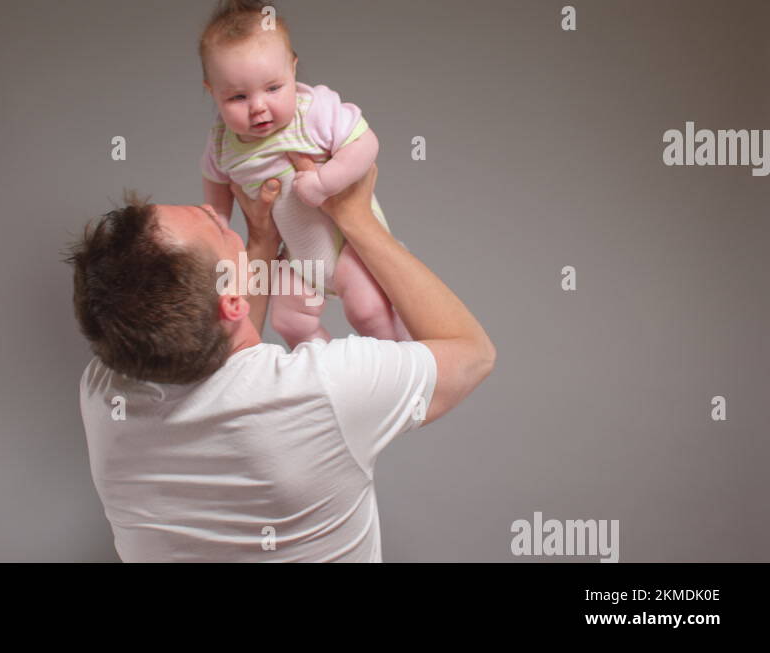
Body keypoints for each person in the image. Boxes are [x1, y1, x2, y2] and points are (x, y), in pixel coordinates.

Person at [67, 152, 496, 562]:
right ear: (231, 300)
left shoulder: (103, 393)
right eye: (215, 225)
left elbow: (223, 345)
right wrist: (358, 220)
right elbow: (471, 353)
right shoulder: (323, 391)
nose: (214, 209)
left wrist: (259, 241)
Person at [198, 0, 411, 347]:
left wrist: (325, 182)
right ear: (212, 92)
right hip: (299, 257)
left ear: (293, 70)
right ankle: (319, 368)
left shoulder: (311, 111)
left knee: (368, 311)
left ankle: (406, 363)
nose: (258, 107)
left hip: (348, 241)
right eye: (238, 96)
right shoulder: (222, 142)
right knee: (288, 321)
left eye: (273, 88)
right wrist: (217, 219)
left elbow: (366, 143)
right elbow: (216, 179)